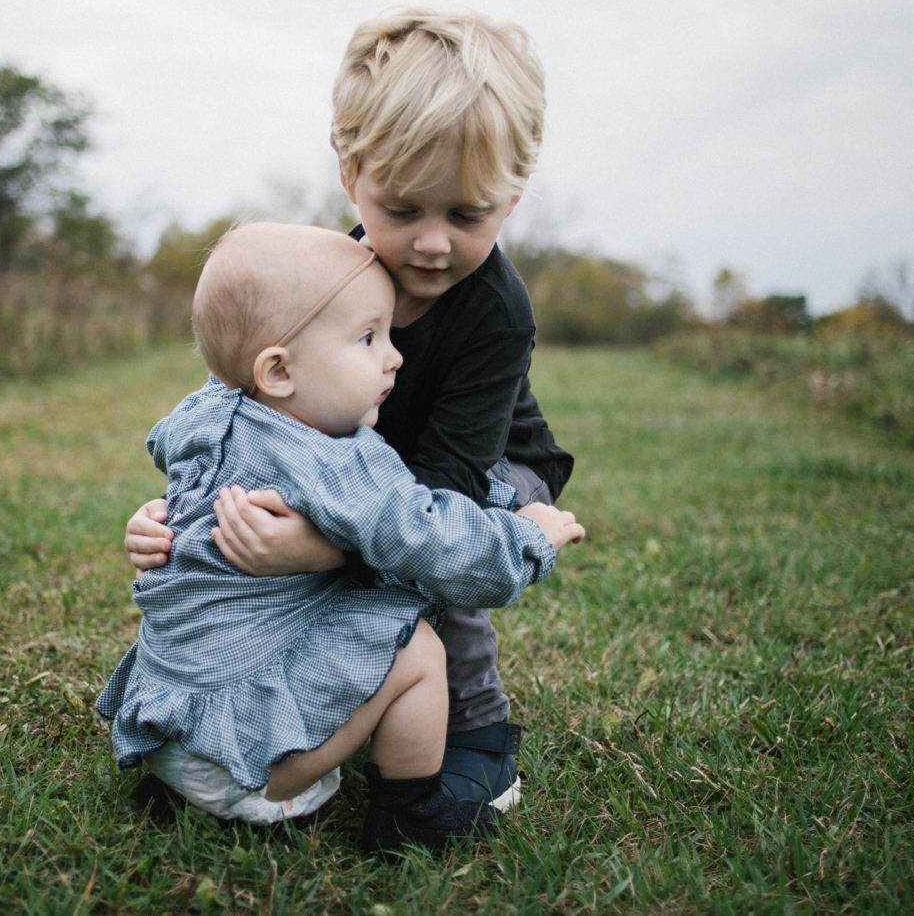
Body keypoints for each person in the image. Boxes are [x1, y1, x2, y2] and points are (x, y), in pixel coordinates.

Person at [124, 8, 577, 815]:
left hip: (481, 473)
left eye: (467, 215)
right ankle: (303, 699)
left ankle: (473, 726)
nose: (432, 243)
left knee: (436, 567)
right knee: (306, 547)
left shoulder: (494, 313)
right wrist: (176, 512)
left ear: (512, 199)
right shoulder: (327, 274)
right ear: (351, 173)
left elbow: (443, 484)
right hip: (360, 462)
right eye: (404, 210)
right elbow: (252, 410)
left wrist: (325, 549)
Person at [96, 222, 584, 855]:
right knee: (414, 646)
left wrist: (153, 514)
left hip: (163, 730)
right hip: (252, 764)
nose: (395, 357)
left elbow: (173, 468)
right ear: (278, 370)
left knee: (304, 615)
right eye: (368, 338)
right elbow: (438, 543)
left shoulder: (202, 416)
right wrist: (527, 535)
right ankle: (410, 814)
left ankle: (184, 787)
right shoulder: (341, 463)